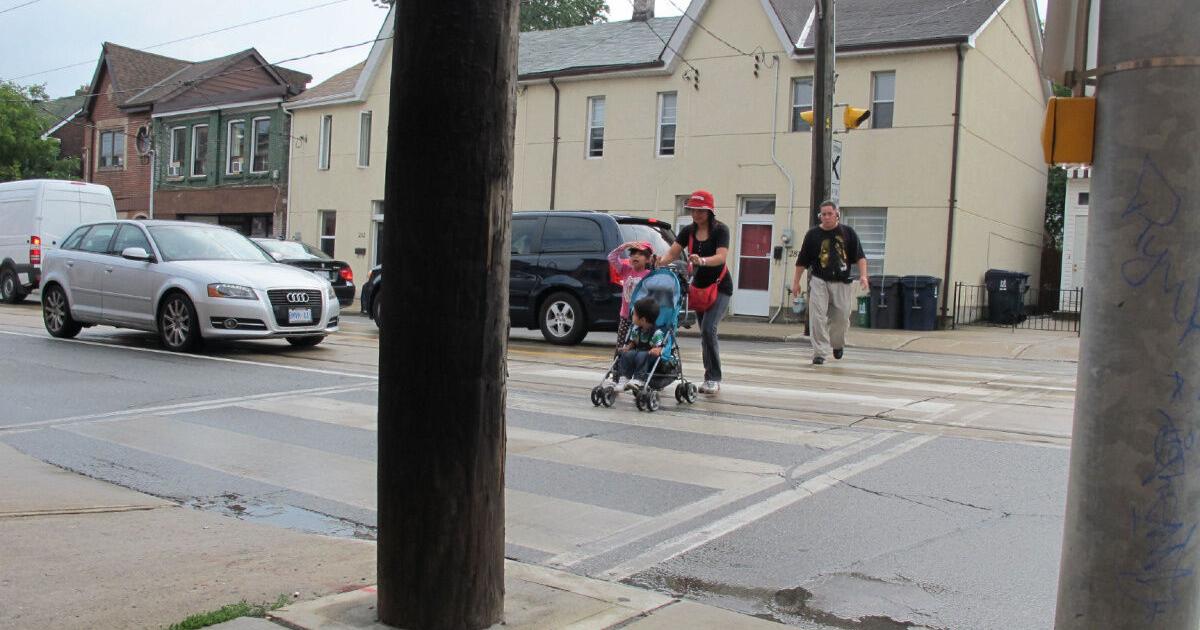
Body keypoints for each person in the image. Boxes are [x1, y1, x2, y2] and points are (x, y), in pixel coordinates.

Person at [658, 189, 731, 394]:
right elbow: (672, 253)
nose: (696, 214)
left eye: (701, 210)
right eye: (693, 210)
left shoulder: (720, 230)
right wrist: (658, 263)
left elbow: (721, 257)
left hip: (720, 287)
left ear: (710, 211)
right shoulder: (688, 231)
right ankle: (709, 374)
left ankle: (713, 378)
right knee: (705, 333)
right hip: (699, 288)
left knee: (709, 328)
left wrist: (703, 260)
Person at [791, 200, 869, 365]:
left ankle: (837, 344)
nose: (826, 217)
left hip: (842, 281)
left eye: (829, 214)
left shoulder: (847, 233)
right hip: (819, 280)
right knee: (817, 316)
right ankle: (819, 352)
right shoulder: (813, 235)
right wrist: (796, 282)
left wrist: (864, 275)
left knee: (841, 317)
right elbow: (802, 261)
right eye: (823, 214)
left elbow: (860, 257)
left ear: (836, 215)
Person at [606, 297, 666, 391]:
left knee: (642, 355)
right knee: (627, 354)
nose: (631, 316)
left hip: (649, 357)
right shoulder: (636, 329)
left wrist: (657, 350)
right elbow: (634, 342)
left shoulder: (656, 333)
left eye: (634, 314)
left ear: (643, 320)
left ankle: (639, 379)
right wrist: (628, 347)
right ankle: (624, 378)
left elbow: (660, 347)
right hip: (638, 354)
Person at [607, 240, 655, 354]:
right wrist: (625, 246)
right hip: (626, 315)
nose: (635, 256)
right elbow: (611, 257)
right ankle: (618, 366)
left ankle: (634, 366)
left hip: (641, 317)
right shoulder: (625, 269)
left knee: (637, 343)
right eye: (633, 253)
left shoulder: (649, 275)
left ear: (648, 259)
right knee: (621, 342)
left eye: (640, 254)